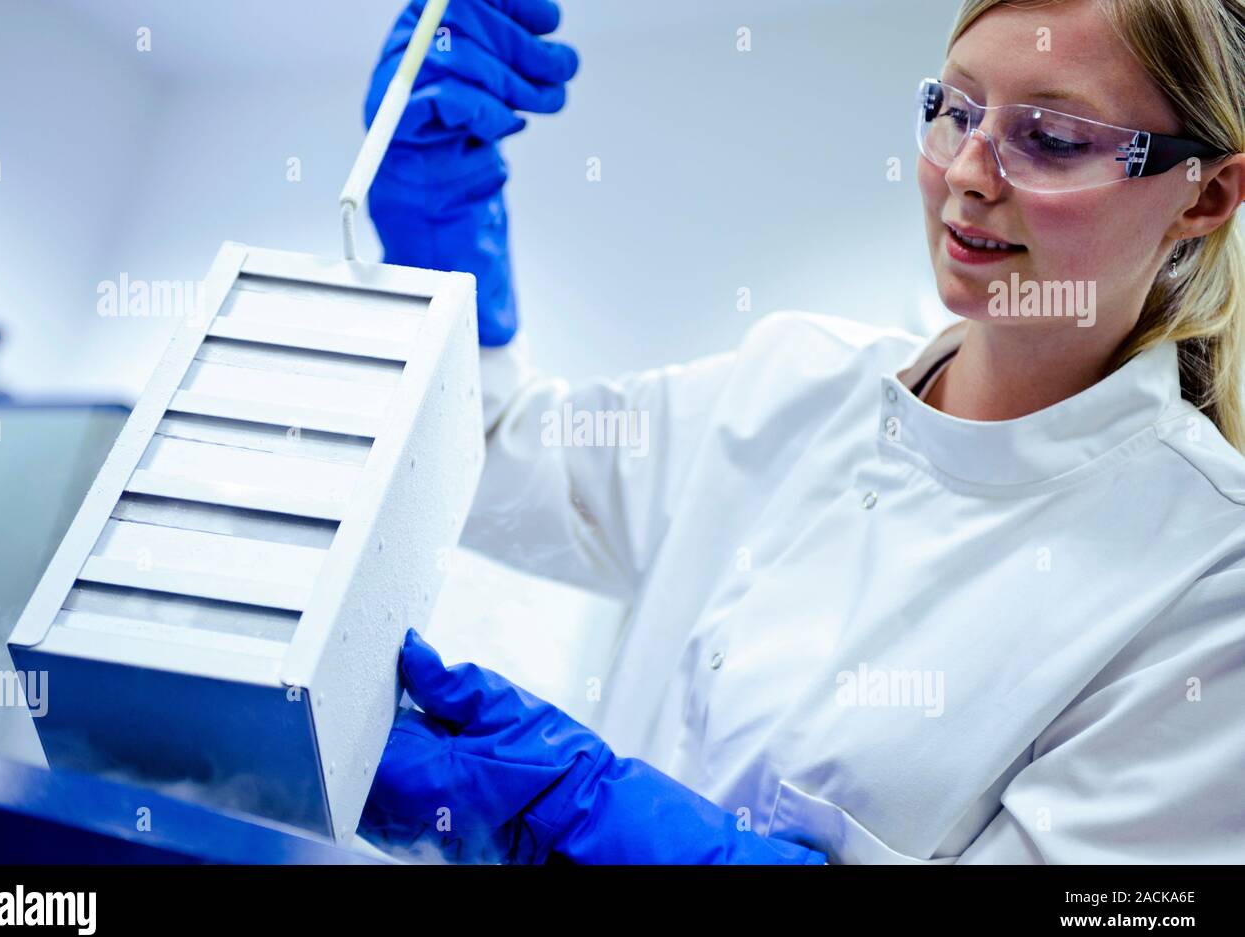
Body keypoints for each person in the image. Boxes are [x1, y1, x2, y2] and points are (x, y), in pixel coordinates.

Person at [360, 0, 1245, 864]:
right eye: (955, 111)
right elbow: (493, 457)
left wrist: (593, 822)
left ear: (1205, 194)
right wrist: (436, 216)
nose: (969, 173)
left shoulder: (1210, 580)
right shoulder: (793, 378)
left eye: (1050, 138)